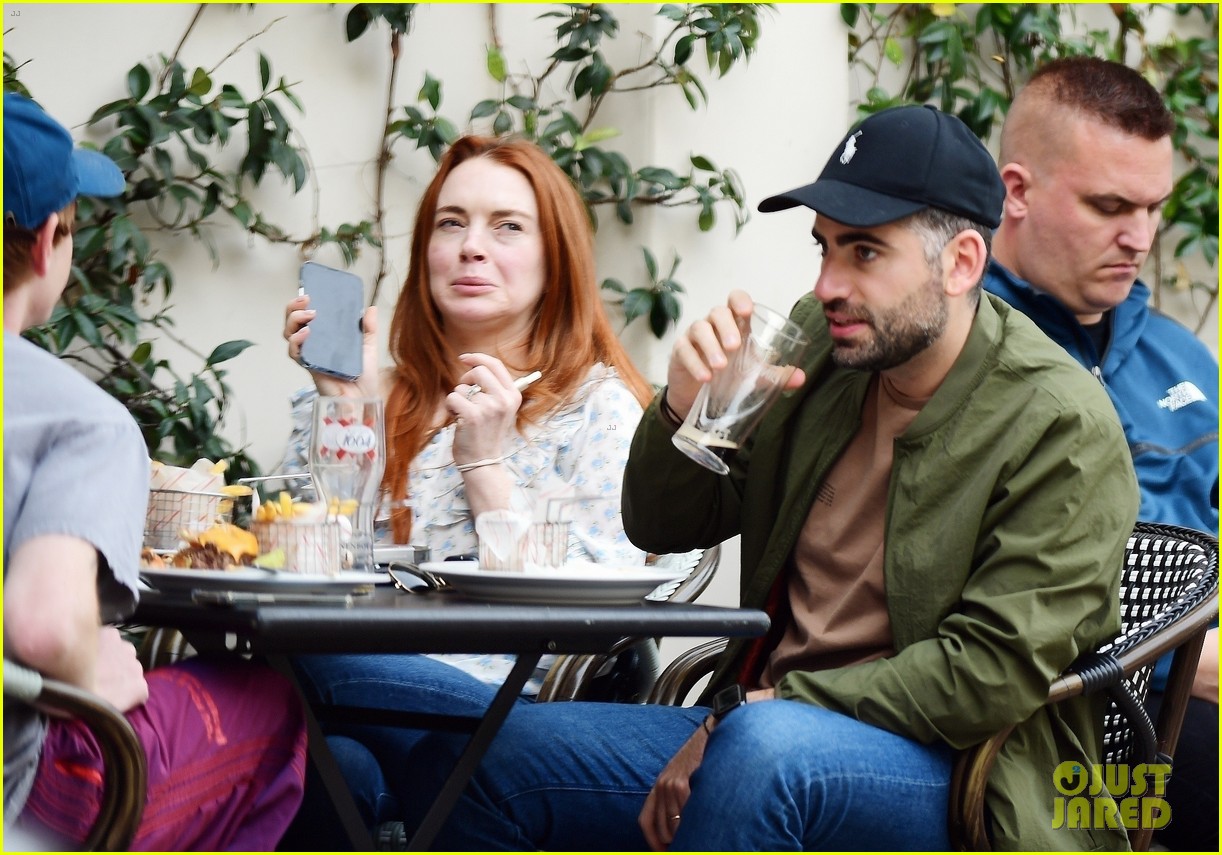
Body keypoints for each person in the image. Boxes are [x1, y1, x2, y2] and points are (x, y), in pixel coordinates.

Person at [398, 104, 1142, 851]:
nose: (826, 284)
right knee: (475, 760)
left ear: (961, 263)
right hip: (758, 717)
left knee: (763, 755)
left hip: (963, 771)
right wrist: (683, 409)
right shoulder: (822, 348)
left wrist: (751, 710)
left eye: (864, 253)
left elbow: (983, 675)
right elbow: (662, 525)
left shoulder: (1059, 424)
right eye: (823, 249)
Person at [277, 134, 654, 841]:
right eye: (451, 223)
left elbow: (600, 616)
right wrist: (344, 407)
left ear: (556, 257)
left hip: (506, 701)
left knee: (274, 648)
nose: (471, 246)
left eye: (507, 226)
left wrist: (485, 465)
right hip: (365, 692)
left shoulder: (599, 409)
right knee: (337, 767)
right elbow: (309, 561)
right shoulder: (385, 397)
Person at [3, 92, 308, 850]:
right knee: (271, 704)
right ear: (47, 244)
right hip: (28, 792)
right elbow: (41, 625)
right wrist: (85, 672)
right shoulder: (80, 421)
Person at [985, 56, 1219, 851]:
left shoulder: (1185, 363)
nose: (1140, 238)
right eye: (1110, 206)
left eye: (1155, 207)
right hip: (1071, 747)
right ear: (1015, 192)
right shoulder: (958, 350)